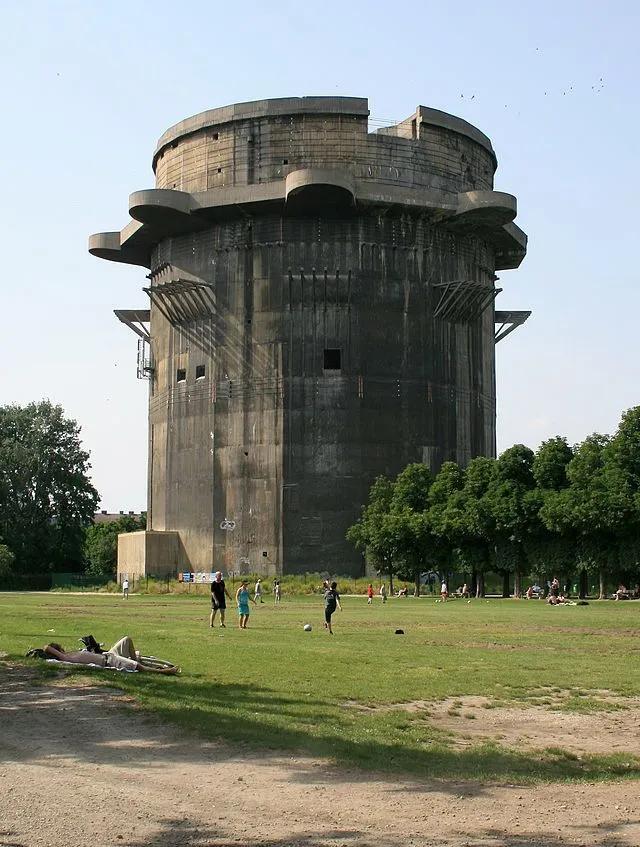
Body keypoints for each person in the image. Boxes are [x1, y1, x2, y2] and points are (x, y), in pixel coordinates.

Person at [42, 636, 180, 674]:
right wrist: (49, 649)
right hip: (109, 662)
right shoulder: (66, 658)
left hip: (109, 655)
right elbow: (47, 648)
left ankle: (134, 661)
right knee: (137, 666)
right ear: (58, 652)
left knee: (127, 640)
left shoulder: (70, 654)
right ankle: (164, 672)